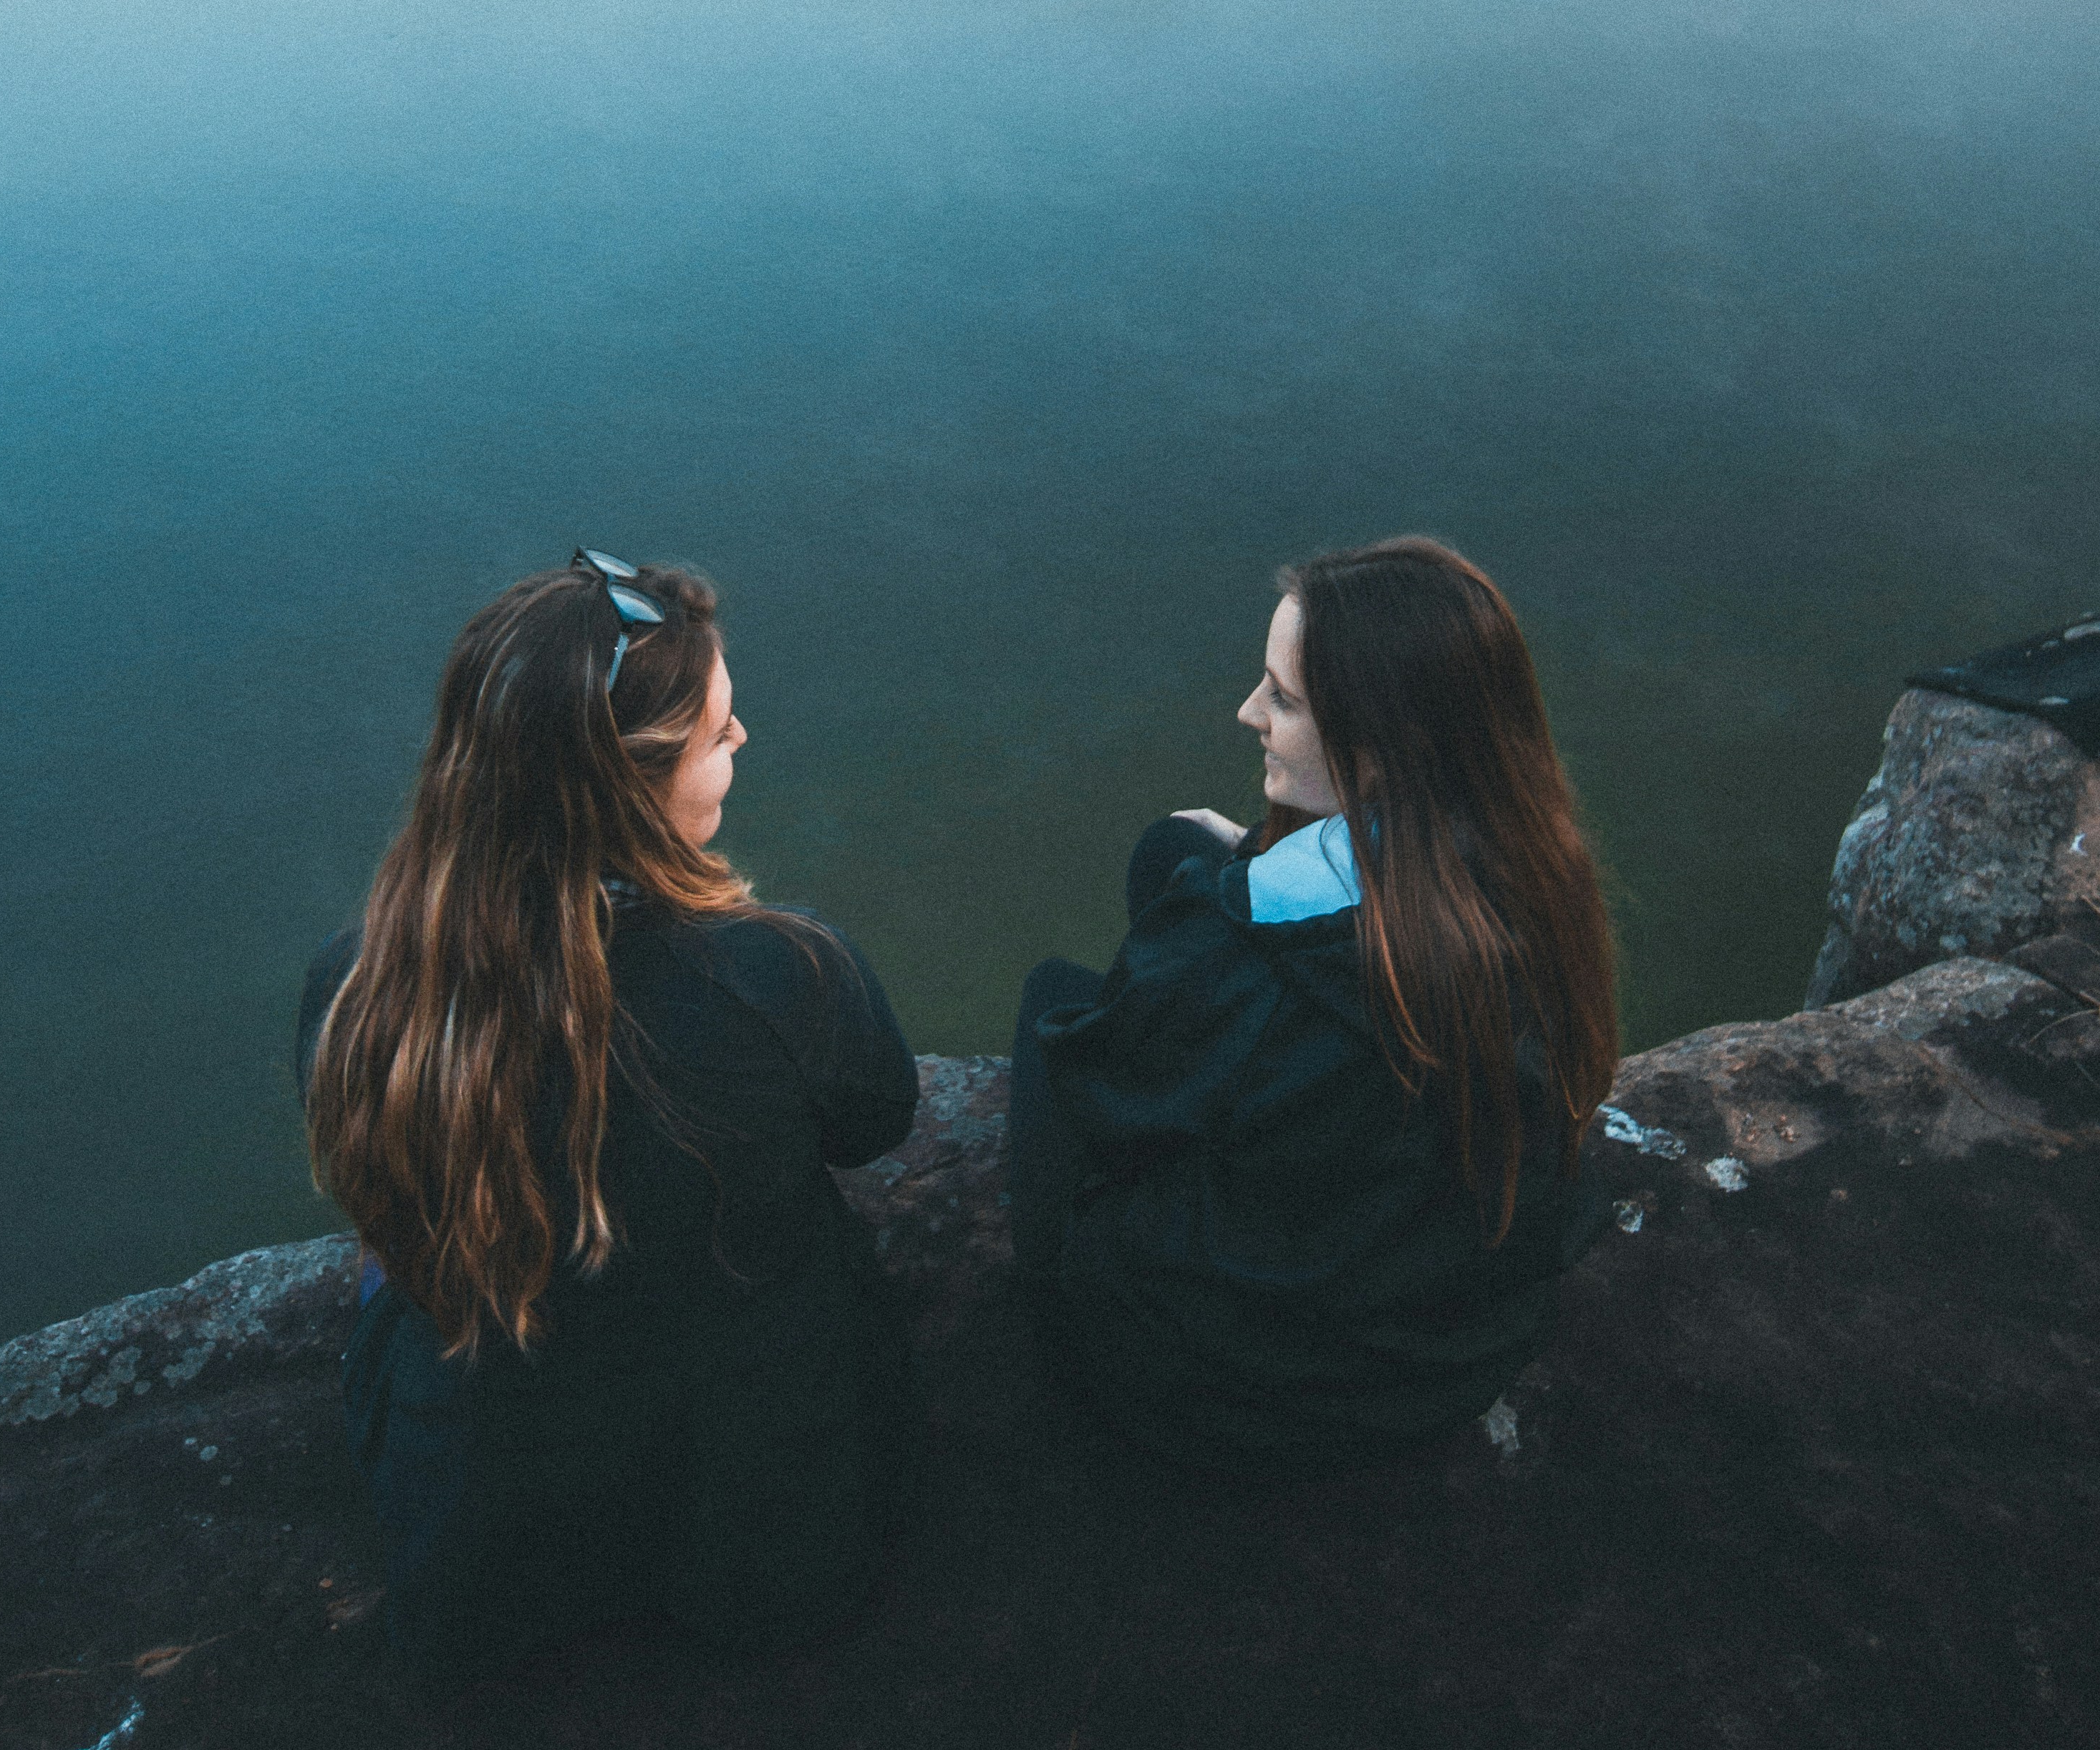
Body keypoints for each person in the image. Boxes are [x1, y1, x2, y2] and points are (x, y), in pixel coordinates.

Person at [299, 550, 919, 1673]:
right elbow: (876, 1123)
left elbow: (371, 1191)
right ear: (631, 784)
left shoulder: (358, 987)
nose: (743, 743)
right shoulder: (783, 972)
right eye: (717, 734)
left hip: (492, 1536)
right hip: (753, 1522)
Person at [1007, 536, 1618, 1469]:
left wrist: (1227, 900)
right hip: (1451, 1359)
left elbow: (1112, 1098)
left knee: (1055, 996)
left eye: (1283, 700)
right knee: (1176, 848)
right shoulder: (1535, 891)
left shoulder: (1246, 963)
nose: (1247, 711)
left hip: (1251, 1397)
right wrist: (1244, 859)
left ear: (1378, 750)